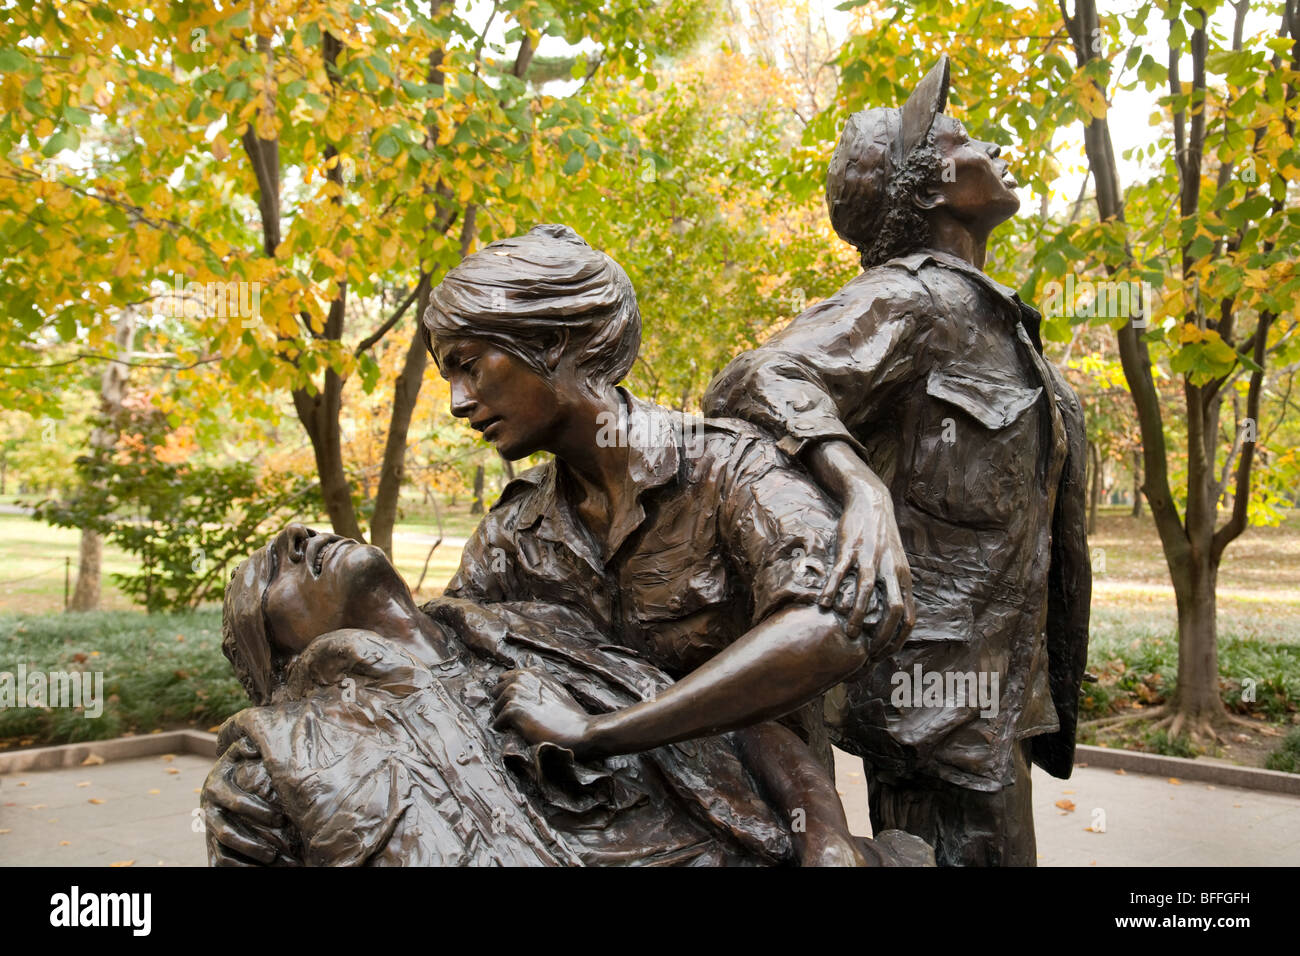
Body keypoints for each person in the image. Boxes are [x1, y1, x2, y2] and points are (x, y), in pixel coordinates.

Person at [703, 55, 1091, 866]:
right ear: (928, 187)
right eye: (963, 137)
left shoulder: (997, 322)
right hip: (936, 708)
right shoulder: (910, 299)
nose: (991, 144)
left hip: (996, 702)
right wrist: (857, 483)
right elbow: (756, 377)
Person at [204, 523, 886, 866]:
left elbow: (740, 729)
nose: (299, 536)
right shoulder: (268, 769)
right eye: (271, 570)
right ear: (280, 657)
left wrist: (825, 835)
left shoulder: (545, 630)